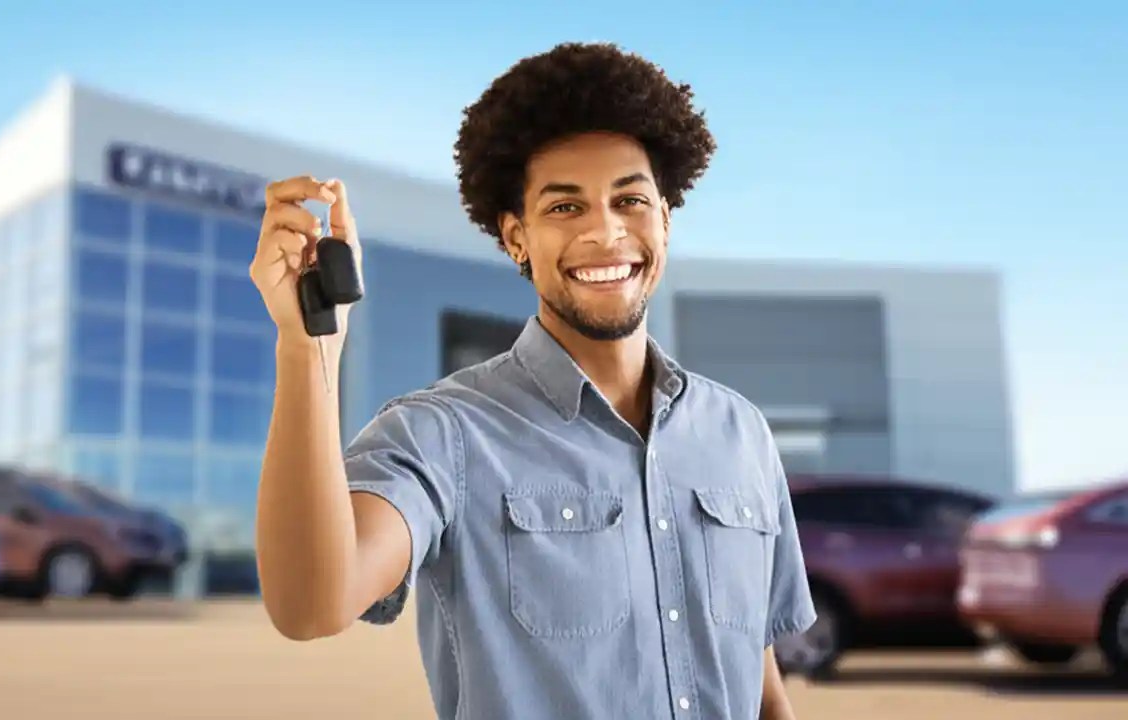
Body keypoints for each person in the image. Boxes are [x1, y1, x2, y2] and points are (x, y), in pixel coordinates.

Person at [251, 41, 816, 720]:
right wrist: (307, 347)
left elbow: (762, 689)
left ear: (665, 218)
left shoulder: (741, 432)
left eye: (630, 200)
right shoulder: (445, 435)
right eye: (565, 208)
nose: (606, 232)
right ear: (516, 237)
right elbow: (312, 603)